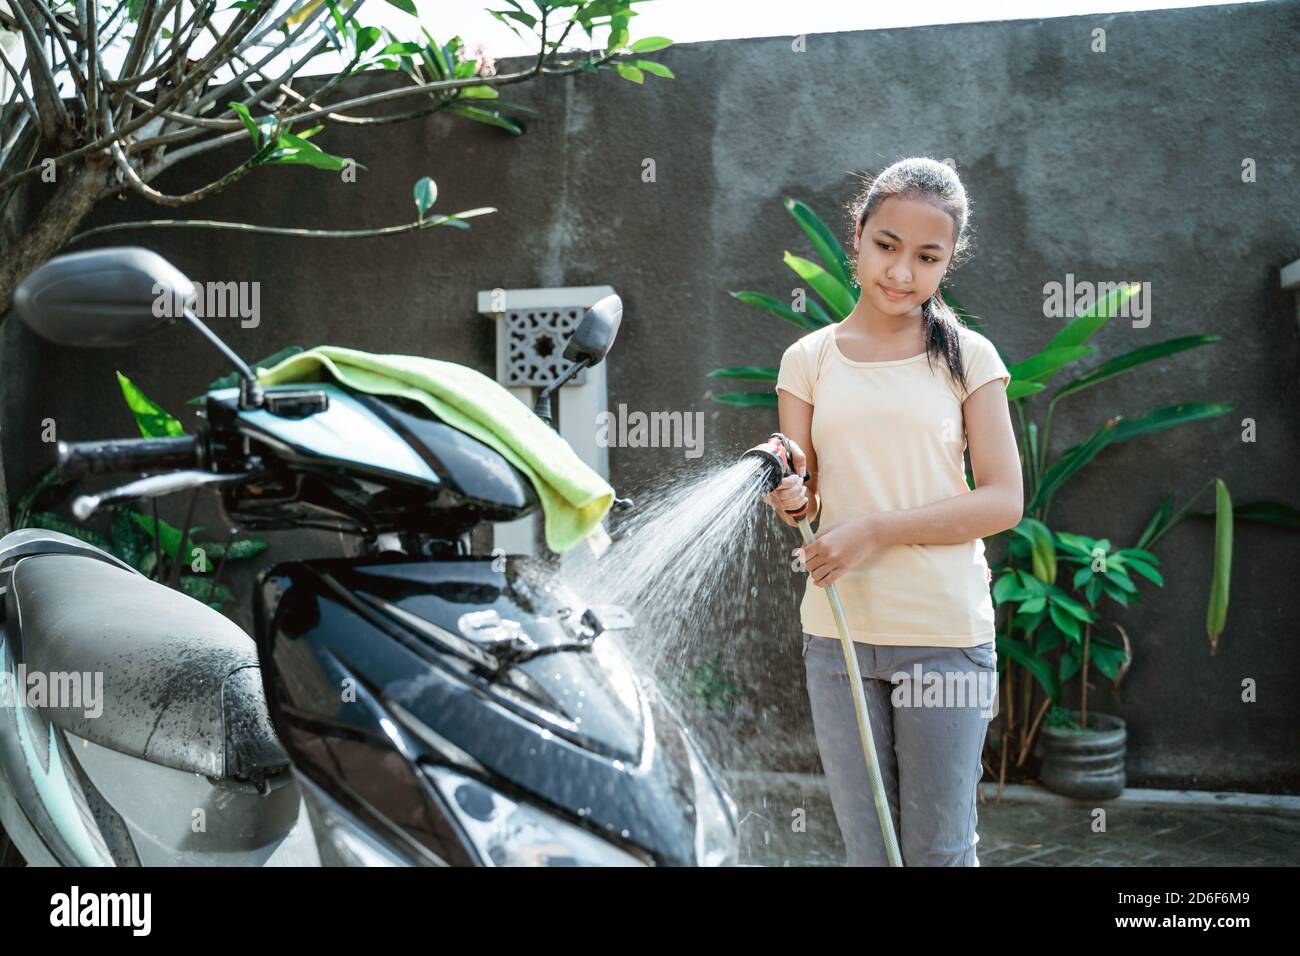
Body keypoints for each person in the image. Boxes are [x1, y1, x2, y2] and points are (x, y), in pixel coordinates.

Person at [762, 156, 1023, 866]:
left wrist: (875, 530)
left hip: (943, 636)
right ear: (858, 235)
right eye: (887, 246)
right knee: (870, 854)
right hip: (838, 637)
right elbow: (808, 494)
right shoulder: (808, 359)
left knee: (938, 854)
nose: (902, 272)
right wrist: (793, 496)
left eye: (926, 257)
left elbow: (1003, 499)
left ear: (947, 263)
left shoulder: (968, 357)